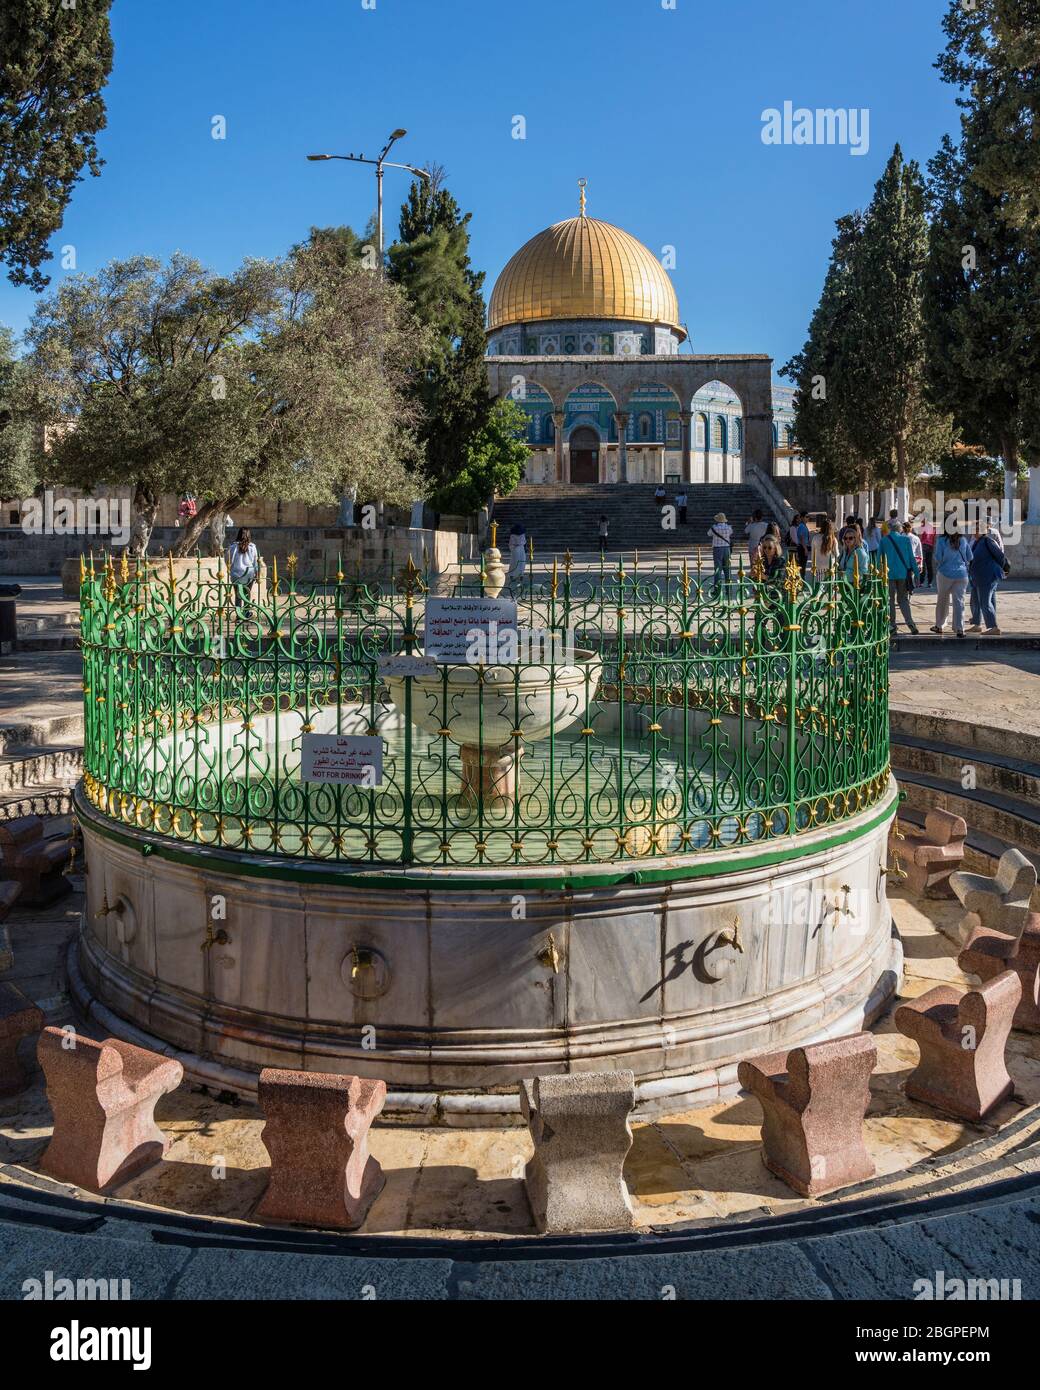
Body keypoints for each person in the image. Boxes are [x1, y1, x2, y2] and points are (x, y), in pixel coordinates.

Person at [930, 525, 972, 638]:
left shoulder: (941, 540)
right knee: (959, 602)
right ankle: (960, 628)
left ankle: (939, 625)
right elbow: (970, 557)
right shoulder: (963, 540)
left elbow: (938, 557)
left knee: (942, 600)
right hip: (962, 574)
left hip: (945, 573)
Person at [880, 521, 920, 636]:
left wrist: (878, 573)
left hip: (889, 574)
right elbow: (912, 558)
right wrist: (917, 573)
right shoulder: (906, 540)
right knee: (903, 599)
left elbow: (879, 559)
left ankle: (892, 625)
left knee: (890, 600)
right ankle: (910, 622)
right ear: (900, 529)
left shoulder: (884, 540)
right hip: (903, 574)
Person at [966, 522, 1007, 635]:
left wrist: (996, 569)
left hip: (987, 577)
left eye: (976, 529)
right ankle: (976, 624)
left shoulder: (988, 541)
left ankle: (993, 627)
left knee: (985, 602)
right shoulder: (978, 542)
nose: (974, 532)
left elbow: (1001, 557)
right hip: (977, 577)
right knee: (975, 601)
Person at [226, 527, 259, 609]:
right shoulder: (252, 547)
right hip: (248, 574)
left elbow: (228, 559)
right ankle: (246, 612)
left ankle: (238, 614)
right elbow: (255, 562)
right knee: (247, 594)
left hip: (236, 574)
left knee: (238, 595)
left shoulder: (233, 547)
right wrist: (257, 574)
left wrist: (230, 568)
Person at [809, 516, 838, 582]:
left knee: (820, 586)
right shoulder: (833, 539)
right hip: (830, 565)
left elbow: (813, 553)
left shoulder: (815, 538)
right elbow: (836, 554)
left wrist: (813, 564)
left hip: (819, 565)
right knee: (830, 586)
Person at [708, 512, 732, 586]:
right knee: (727, 568)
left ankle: (717, 589)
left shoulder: (714, 527)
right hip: (727, 549)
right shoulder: (729, 527)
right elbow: (731, 533)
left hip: (717, 549)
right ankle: (728, 589)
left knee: (718, 569)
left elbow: (708, 534)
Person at [917, 513, 936, 588]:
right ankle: (930, 582)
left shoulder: (922, 527)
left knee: (923, 565)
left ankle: (921, 582)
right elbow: (934, 540)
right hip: (930, 547)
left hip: (923, 547)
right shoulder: (932, 528)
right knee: (929, 565)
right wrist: (933, 548)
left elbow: (919, 538)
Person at [506, 523, 527, 588]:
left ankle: (512, 576)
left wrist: (512, 549)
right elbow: (524, 543)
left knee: (514, 563)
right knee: (521, 563)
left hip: (515, 549)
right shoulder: (522, 534)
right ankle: (521, 576)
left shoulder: (512, 535)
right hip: (521, 549)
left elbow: (510, 544)